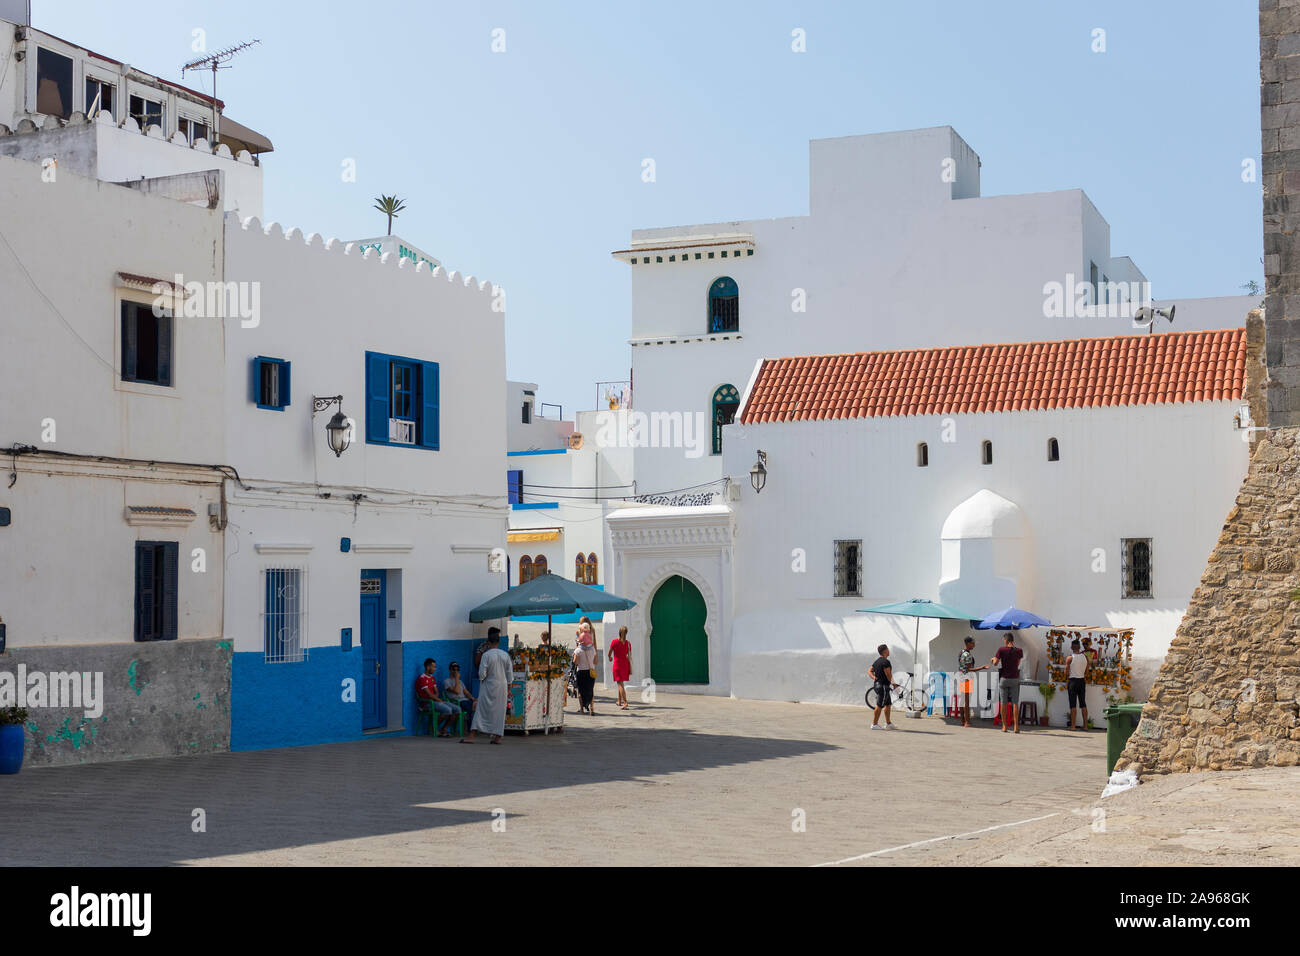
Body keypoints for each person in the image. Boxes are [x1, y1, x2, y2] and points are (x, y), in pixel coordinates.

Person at [463, 628, 510, 744]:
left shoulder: (486, 655)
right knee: (500, 710)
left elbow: (481, 674)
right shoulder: (505, 655)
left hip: (489, 684)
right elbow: (510, 674)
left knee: (481, 709)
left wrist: (484, 679)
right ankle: (498, 737)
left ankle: (471, 736)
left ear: (488, 642)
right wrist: (509, 688)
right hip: (502, 686)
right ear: (498, 642)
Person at [416, 658, 458, 737]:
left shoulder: (432, 678)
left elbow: (436, 692)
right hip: (427, 703)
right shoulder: (422, 678)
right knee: (447, 709)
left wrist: (437, 699)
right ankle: (433, 728)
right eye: (434, 667)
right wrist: (439, 700)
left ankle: (444, 729)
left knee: (457, 709)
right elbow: (429, 694)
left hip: (435, 701)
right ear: (428, 667)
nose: (435, 669)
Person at [992, 633, 1024, 734]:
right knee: (1015, 703)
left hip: (1004, 678)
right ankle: (1016, 727)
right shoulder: (1019, 651)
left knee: (1003, 703)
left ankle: (1005, 726)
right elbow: (1018, 664)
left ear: (1006, 640)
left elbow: (995, 663)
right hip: (1014, 678)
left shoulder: (1001, 650)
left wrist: (992, 659)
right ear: (1012, 640)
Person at [957, 636, 989, 728]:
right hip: (967, 678)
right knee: (967, 700)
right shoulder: (968, 655)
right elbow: (969, 669)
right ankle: (967, 721)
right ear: (968, 643)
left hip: (961, 677)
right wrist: (982, 667)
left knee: (962, 699)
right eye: (973, 643)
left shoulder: (961, 652)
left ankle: (962, 720)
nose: (974, 644)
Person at [868, 644, 899, 730]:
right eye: (888, 649)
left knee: (888, 704)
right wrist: (894, 685)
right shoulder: (885, 662)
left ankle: (888, 723)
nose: (889, 650)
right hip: (883, 686)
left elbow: (869, 670)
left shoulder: (877, 661)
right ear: (885, 651)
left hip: (878, 685)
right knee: (879, 705)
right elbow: (888, 674)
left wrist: (873, 677)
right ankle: (874, 724)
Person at [1065, 639, 1090, 730]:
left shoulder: (1070, 658)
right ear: (1079, 647)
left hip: (1072, 681)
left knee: (1073, 704)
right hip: (1081, 681)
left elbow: (1066, 672)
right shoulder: (1085, 657)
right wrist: (1082, 674)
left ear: (1072, 647)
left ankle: (1073, 726)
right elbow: (1087, 670)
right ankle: (1085, 726)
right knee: (1083, 704)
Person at [608, 625, 632, 709]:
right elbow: (629, 655)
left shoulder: (614, 642)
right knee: (621, 682)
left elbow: (609, 653)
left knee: (620, 684)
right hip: (625, 665)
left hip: (617, 664)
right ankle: (619, 701)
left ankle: (625, 702)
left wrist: (610, 658)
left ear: (619, 632)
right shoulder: (628, 643)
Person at [574, 637, 598, 715]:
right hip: (590, 672)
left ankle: (581, 708)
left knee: (580, 690)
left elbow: (576, 662)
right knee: (590, 690)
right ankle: (592, 709)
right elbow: (595, 661)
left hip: (581, 672)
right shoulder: (592, 649)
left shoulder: (578, 650)